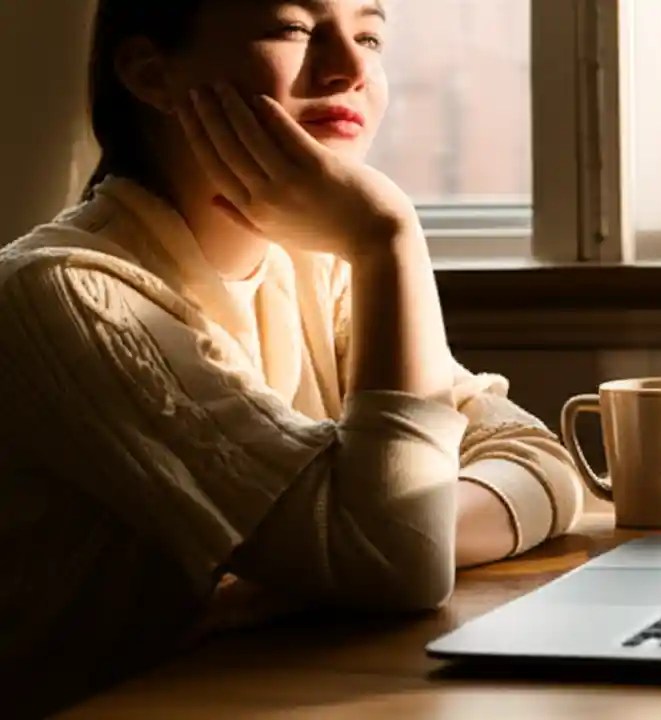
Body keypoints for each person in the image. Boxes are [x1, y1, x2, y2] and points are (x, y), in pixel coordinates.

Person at [0, 0, 583, 713]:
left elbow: (539, 461)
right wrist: (389, 236)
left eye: (370, 35)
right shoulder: (60, 293)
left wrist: (355, 559)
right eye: (294, 28)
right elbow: (398, 563)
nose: (351, 68)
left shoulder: (316, 265)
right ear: (150, 73)